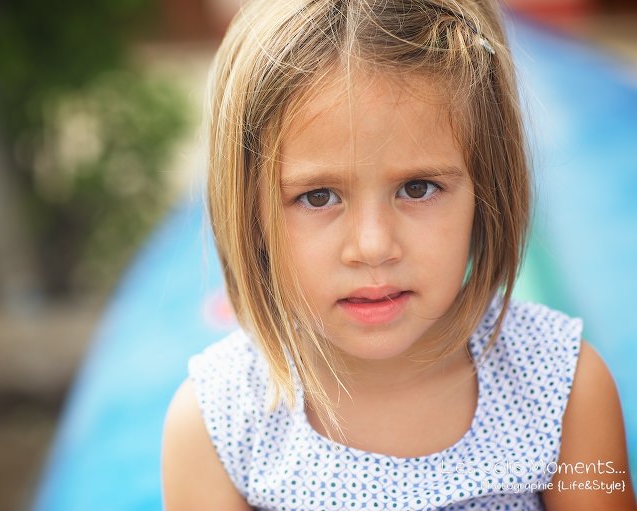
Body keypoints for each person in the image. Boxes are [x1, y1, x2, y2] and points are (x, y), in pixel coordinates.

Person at [161, 0, 636, 509]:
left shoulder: (563, 387)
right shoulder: (218, 424)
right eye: (318, 196)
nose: (373, 246)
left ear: (488, 188)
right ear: (249, 212)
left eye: (417, 188)